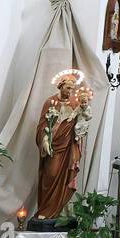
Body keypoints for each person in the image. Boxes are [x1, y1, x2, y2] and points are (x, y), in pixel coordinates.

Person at [34, 69, 93, 220]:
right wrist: (45, 140)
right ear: (60, 86)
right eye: (68, 88)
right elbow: (42, 125)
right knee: (51, 174)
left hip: (68, 146)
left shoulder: (76, 103)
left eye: (72, 88)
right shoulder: (50, 102)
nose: (70, 91)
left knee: (66, 178)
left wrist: (83, 120)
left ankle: (59, 211)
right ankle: (45, 209)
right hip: (54, 146)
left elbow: (82, 122)